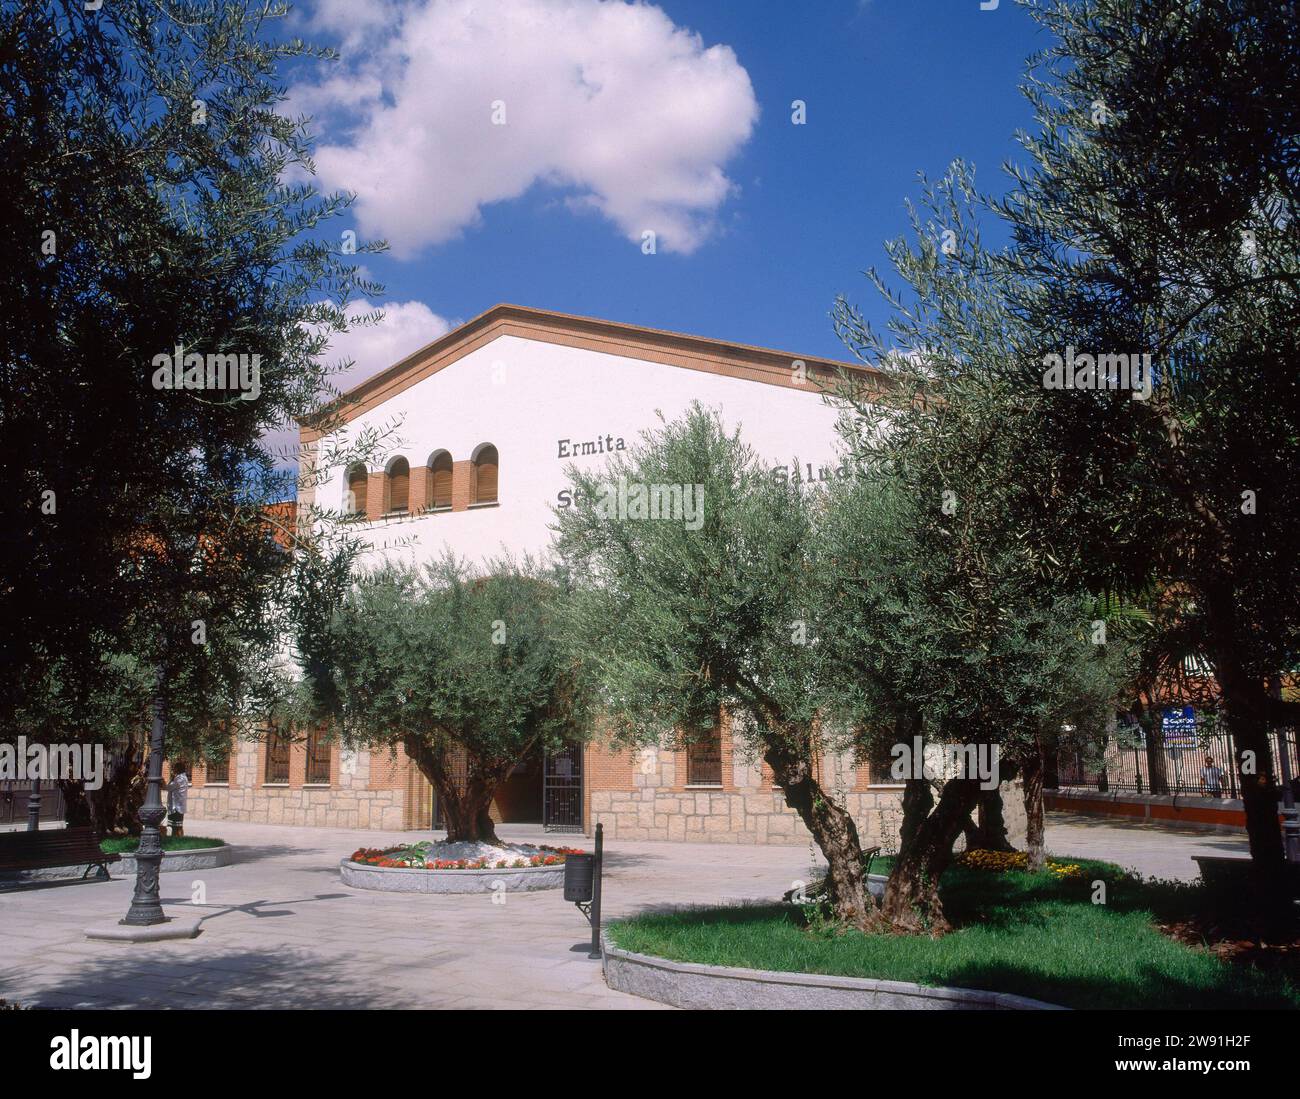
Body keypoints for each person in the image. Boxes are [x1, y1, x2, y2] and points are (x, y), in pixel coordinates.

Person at [167, 761, 190, 836]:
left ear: (179, 769)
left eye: (175, 768)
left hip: (177, 806)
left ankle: (179, 839)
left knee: (178, 826)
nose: (173, 769)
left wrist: (163, 784)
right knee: (175, 826)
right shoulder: (182, 777)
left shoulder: (180, 778)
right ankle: (175, 839)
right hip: (177, 806)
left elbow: (170, 787)